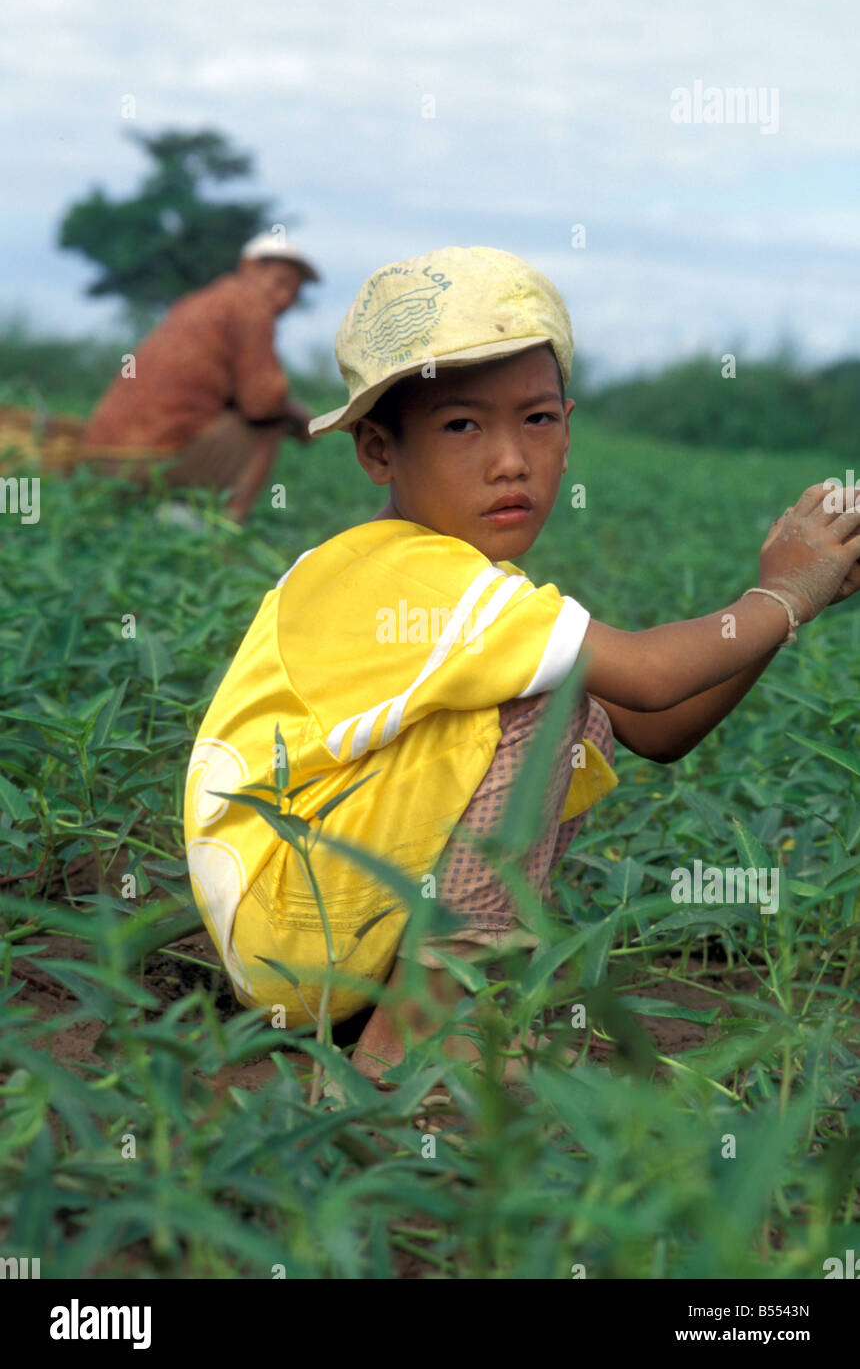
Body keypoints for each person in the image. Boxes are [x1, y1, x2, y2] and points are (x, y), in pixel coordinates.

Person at [183, 245, 860, 1084]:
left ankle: (421, 1001)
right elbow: (650, 675)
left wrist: (793, 604)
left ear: (569, 429)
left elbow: (653, 725)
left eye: (537, 420)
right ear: (377, 453)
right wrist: (780, 597)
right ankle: (419, 1043)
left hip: (305, 923)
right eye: (462, 425)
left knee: (577, 706)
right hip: (296, 914)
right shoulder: (405, 573)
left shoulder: (453, 581)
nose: (511, 460)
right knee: (541, 707)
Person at [79, 232, 321, 522]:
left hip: (95, 464)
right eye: (280, 283)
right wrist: (302, 419)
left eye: (293, 293)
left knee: (226, 420)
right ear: (250, 267)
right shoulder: (251, 305)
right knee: (268, 426)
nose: (285, 300)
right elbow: (263, 402)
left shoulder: (200, 302)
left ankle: (166, 514)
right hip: (146, 464)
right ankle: (225, 533)